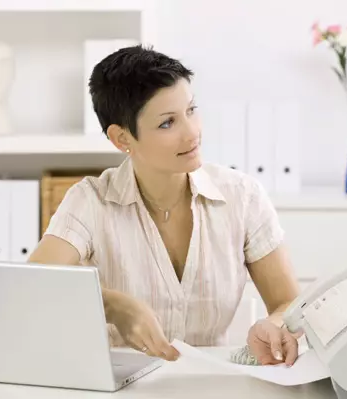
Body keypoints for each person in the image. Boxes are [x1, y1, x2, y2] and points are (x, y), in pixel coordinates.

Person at [28, 45, 301, 366]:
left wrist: (274, 325)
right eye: (167, 123)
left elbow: (288, 304)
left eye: (191, 109)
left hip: (213, 384)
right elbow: (33, 287)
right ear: (122, 138)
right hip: (123, 388)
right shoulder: (90, 201)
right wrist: (112, 306)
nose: (192, 132)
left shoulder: (242, 196)